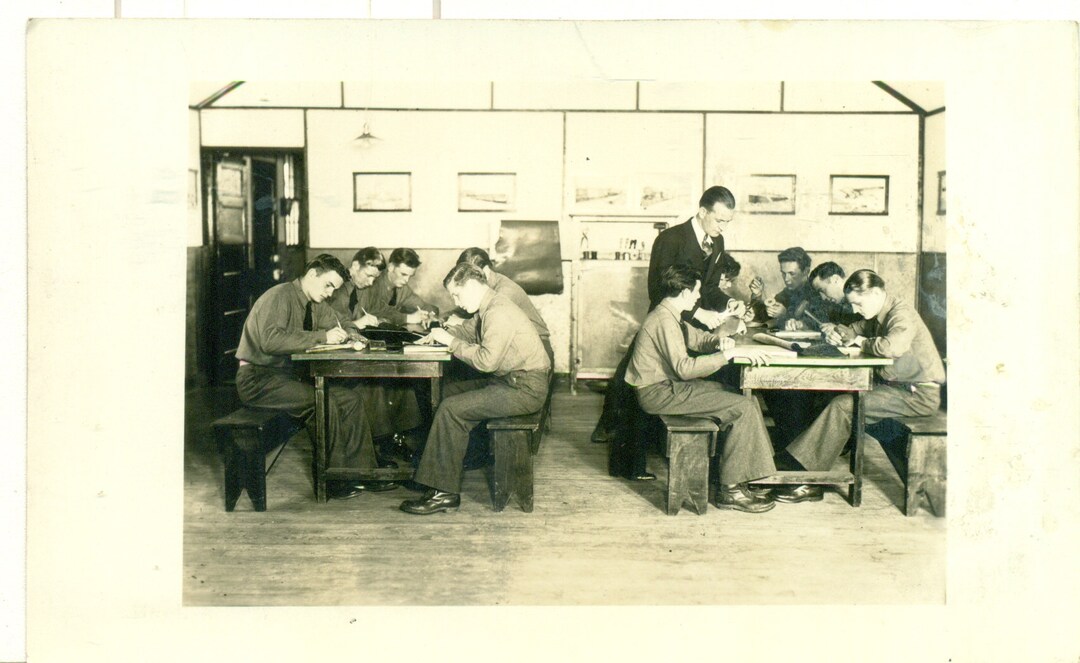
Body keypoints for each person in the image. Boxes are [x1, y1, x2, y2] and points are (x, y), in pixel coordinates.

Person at [774, 270, 946, 503]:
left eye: (858, 303)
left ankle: (808, 481)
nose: (855, 310)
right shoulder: (879, 313)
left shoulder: (901, 314)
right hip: (897, 389)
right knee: (830, 396)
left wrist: (860, 342)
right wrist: (838, 333)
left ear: (875, 293)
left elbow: (890, 347)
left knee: (845, 405)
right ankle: (799, 462)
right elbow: (854, 330)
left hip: (918, 394)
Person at [234, 254, 395, 500]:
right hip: (257, 380)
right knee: (323, 401)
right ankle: (334, 480)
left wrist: (353, 335)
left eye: (335, 288)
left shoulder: (315, 302)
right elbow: (270, 341)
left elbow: (340, 322)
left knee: (350, 399)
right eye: (328, 285)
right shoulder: (280, 295)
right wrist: (322, 337)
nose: (330, 293)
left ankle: (363, 472)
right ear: (312, 275)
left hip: (282, 380)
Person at [592, 186, 740, 451]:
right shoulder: (670, 239)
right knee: (635, 377)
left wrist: (728, 302)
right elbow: (658, 290)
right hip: (666, 318)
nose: (724, 227)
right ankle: (612, 432)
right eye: (720, 220)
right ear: (702, 211)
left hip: (695, 320)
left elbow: (710, 288)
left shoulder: (717, 242)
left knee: (682, 378)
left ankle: (672, 442)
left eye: (728, 222)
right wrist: (697, 313)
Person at [399, 263, 551, 515]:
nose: (456, 301)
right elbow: (468, 332)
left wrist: (450, 342)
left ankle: (443, 493)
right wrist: (440, 334)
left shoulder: (498, 311)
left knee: (450, 409)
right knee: (445, 392)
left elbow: (485, 361)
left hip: (524, 388)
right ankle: (437, 472)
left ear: (471, 286)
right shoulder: (489, 306)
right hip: (510, 380)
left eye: (457, 295)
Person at [625, 265, 778, 513]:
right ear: (684, 292)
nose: (698, 297)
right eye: (696, 291)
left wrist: (719, 341)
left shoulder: (669, 314)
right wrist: (728, 355)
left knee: (734, 394)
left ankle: (748, 473)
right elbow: (684, 369)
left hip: (664, 387)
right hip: (658, 393)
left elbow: (697, 338)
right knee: (743, 406)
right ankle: (730, 490)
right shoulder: (663, 319)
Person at [327, 246, 424, 462]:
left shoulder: (364, 288)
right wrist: (356, 324)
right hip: (335, 359)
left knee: (400, 381)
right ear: (354, 266)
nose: (372, 282)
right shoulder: (336, 289)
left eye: (375, 278)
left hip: (355, 353)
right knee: (376, 385)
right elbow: (327, 325)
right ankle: (373, 448)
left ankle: (391, 440)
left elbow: (380, 309)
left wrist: (407, 319)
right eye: (369, 276)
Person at [447, 247, 553, 368]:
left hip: (534, 351)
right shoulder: (486, 291)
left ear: (485, 269)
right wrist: (445, 317)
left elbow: (478, 324)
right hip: (514, 350)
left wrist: (459, 323)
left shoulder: (504, 292)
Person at [356, 247, 439, 327]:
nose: (406, 280)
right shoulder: (370, 282)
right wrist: (407, 318)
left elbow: (425, 306)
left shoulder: (403, 289)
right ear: (391, 267)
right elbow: (376, 312)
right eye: (403, 274)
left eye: (410, 276)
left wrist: (430, 316)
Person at [749, 246, 825, 331]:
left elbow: (817, 324)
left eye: (792, 274)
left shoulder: (817, 293)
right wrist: (757, 294)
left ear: (806, 271)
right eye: (783, 273)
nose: (786, 279)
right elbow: (760, 318)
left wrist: (785, 315)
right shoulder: (787, 292)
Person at [807, 261, 864, 332]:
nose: (823, 298)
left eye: (822, 290)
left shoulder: (863, 296)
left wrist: (838, 329)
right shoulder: (838, 304)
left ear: (835, 279)